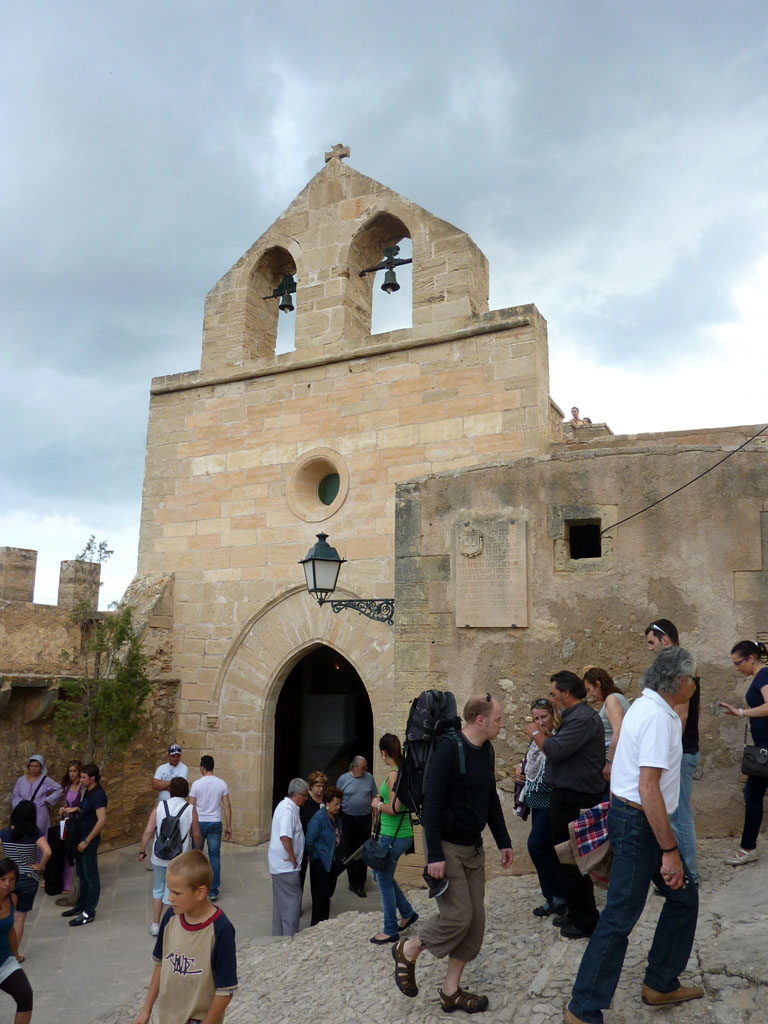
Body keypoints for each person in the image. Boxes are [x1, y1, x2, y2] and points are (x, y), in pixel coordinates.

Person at [566, 647, 702, 1024]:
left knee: (683, 898)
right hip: (641, 822)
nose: (694, 684)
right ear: (679, 681)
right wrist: (670, 850)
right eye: (693, 678)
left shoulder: (646, 706)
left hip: (636, 818)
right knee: (620, 917)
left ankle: (659, 982)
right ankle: (583, 1008)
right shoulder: (657, 717)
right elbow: (648, 788)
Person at [391, 694, 514, 1014]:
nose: (503, 724)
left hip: (473, 849)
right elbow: (431, 805)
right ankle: (409, 948)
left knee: (475, 924)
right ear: (481, 720)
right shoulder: (448, 750)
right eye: (499, 719)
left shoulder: (486, 750)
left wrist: (503, 841)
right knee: (458, 916)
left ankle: (451, 991)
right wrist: (433, 855)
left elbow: (489, 798)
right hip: (447, 848)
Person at [525, 671, 604, 938]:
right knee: (565, 858)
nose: (552, 698)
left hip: (575, 798)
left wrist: (535, 732)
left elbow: (556, 750)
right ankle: (576, 912)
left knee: (572, 860)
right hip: (566, 796)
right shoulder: (574, 718)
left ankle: (585, 921)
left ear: (566, 694)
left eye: (553, 693)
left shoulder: (581, 718)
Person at [133, 850, 237, 1024]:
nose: (169, 898)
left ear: (200, 892)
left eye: (177, 893)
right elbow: (160, 964)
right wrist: (146, 1011)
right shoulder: (170, 917)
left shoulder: (221, 929)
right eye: (169, 890)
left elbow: (225, 992)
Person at [645, 619, 701, 884]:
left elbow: (682, 713)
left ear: (665, 640)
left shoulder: (683, 670)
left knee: (679, 815)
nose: (649, 649)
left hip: (681, 752)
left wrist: (669, 752)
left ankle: (689, 872)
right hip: (680, 752)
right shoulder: (677, 668)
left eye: (651, 642)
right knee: (675, 813)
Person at [718, 639, 768, 865]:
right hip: (763, 749)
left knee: (752, 794)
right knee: (752, 794)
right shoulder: (760, 676)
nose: (737, 668)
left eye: (739, 663)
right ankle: (748, 847)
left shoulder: (764, 675)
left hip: (766, 750)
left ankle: (748, 848)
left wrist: (741, 712)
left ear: (751, 658)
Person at [516, 698, 565, 918]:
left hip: (550, 803)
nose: (539, 722)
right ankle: (553, 898)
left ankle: (558, 895)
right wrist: (520, 770)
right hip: (536, 803)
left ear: (552, 716)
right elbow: (532, 765)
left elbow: (554, 768)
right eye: (536, 718)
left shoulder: (555, 740)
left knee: (537, 846)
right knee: (545, 849)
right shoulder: (536, 741)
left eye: (543, 717)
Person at [369, 734, 417, 944]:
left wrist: (377, 804)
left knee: (383, 881)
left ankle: (390, 929)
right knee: (384, 877)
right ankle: (407, 913)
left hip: (391, 835)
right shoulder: (405, 771)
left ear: (383, 752)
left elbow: (395, 809)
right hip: (401, 833)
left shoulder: (393, 775)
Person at [138, 777, 201, 935]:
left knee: (158, 889)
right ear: (185, 791)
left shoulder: (160, 806)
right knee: (174, 891)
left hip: (159, 856)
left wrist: (142, 850)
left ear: (170, 790)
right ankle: (170, 925)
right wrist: (198, 851)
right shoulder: (189, 808)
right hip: (179, 858)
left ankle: (156, 924)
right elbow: (196, 834)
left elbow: (148, 830)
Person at [60, 762, 107, 927]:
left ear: (93, 778)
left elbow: (101, 820)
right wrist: (71, 810)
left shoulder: (99, 795)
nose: (80, 780)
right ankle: (81, 905)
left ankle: (89, 911)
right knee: (81, 874)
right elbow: (84, 810)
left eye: (83, 777)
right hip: (79, 839)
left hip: (88, 841)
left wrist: (87, 841)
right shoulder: (88, 792)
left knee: (91, 877)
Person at [0, 801, 51, 949]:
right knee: (19, 918)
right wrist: (40, 866)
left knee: (5, 914)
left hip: (8, 877)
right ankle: (14, 954)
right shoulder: (36, 834)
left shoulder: (4, 833)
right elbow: (48, 851)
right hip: (28, 879)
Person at [268, 778, 308, 936]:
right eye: (304, 795)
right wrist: (292, 857)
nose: (306, 798)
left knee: (280, 905)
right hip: (286, 867)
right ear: (296, 795)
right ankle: (289, 938)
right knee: (292, 904)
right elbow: (285, 837)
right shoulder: (287, 811)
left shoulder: (286, 807)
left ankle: (278, 936)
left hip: (279, 865)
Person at [188, 755, 231, 901]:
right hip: (215, 823)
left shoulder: (196, 785)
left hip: (199, 823)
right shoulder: (222, 784)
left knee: (197, 856)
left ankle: (196, 887)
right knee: (214, 856)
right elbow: (227, 805)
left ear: (202, 767)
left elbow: (191, 806)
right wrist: (229, 825)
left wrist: (189, 826)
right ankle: (213, 890)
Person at [336, 756, 378, 897]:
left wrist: (375, 818)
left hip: (365, 819)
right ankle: (352, 881)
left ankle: (360, 884)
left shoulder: (369, 778)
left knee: (362, 851)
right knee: (349, 850)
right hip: (348, 819)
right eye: (362, 768)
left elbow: (374, 797)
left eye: (366, 768)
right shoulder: (343, 779)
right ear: (354, 767)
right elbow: (337, 799)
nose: (365, 770)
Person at [582, 667, 630, 788]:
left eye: (589, 689)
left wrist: (610, 762)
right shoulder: (618, 698)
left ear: (597, 684)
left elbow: (618, 731)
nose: (590, 695)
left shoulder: (612, 699)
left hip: (614, 762)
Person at [0, 858, 34, 1024]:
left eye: (11, 879)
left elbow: (11, 930)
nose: (7, 884)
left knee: (25, 995)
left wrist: (15, 956)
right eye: (3, 879)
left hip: (5, 961)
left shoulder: (12, 899)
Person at [305, 785, 344, 925]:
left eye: (340, 804)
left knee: (327, 895)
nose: (338, 807)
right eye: (336, 804)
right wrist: (313, 854)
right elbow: (309, 840)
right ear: (327, 803)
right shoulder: (319, 819)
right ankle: (316, 926)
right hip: (321, 862)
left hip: (331, 861)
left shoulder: (335, 817)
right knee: (319, 898)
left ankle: (324, 924)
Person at [44, 760, 82, 897]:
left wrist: (74, 809)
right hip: (67, 822)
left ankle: (76, 882)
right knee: (66, 851)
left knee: (74, 851)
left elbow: (82, 806)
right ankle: (65, 883)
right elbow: (66, 804)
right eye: (70, 771)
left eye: (75, 771)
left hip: (78, 823)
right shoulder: (67, 787)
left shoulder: (82, 788)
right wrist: (63, 809)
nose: (72, 774)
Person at [11, 754, 62, 836]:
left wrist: (48, 799)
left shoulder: (45, 780)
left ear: (40, 767)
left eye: (36, 766)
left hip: (39, 813)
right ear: (28, 767)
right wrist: (20, 806)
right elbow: (15, 795)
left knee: (38, 835)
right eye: (32, 766)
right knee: (24, 835)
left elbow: (59, 789)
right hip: (24, 813)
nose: (33, 769)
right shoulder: (21, 780)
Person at [299, 771, 327, 892]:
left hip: (319, 843)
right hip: (305, 841)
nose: (321, 789)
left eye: (322, 786)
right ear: (311, 786)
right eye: (318, 786)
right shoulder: (305, 799)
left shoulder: (325, 800)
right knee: (300, 874)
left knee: (318, 877)